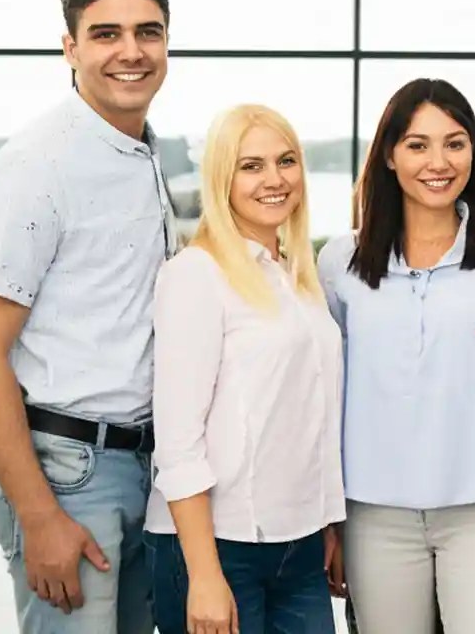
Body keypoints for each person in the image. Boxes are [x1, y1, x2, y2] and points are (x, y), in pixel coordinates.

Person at [0, 0, 175, 633]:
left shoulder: (139, 153)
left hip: (144, 465)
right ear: (69, 47)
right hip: (70, 476)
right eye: (106, 34)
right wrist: (40, 514)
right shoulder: (36, 167)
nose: (131, 52)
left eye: (149, 32)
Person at [317, 78, 475, 634]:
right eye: (417, 145)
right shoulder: (339, 262)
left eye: (455, 142)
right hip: (372, 517)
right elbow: (323, 402)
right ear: (390, 157)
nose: (438, 162)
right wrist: (329, 522)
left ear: (473, 151)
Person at [143, 104, 344, 634]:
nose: (274, 180)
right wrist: (204, 575)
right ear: (221, 178)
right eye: (251, 166)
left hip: (298, 546)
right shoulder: (196, 276)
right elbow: (178, 440)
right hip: (216, 548)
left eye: (286, 161)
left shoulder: (298, 276)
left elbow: (308, 413)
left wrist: (323, 521)